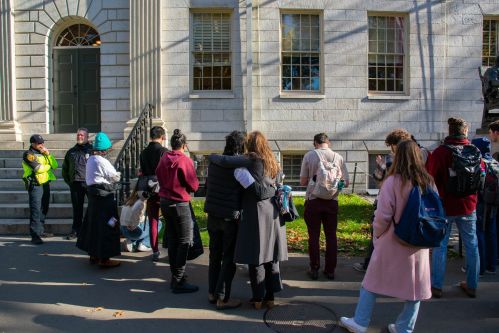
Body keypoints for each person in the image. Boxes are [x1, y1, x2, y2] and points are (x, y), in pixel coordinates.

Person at [340, 140, 433, 333]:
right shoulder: (428, 181)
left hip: (392, 239)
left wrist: (378, 236)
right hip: (419, 240)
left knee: (371, 282)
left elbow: (382, 215)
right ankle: (404, 327)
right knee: (414, 288)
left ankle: (360, 321)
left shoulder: (393, 182)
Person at [209, 131, 288, 310]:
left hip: (256, 213)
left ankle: (257, 298)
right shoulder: (273, 162)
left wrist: (212, 156)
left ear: (251, 145)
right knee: (271, 257)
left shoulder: (251, 160)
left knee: (257, 255)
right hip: (274, 213)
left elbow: (226, 162)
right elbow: (277, 183)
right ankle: (271, 297)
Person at [426, 117, 481, 298]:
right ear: (465, 131)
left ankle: (437, 286)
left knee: (441, 245)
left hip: (445, 205)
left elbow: (429, 177)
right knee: (472, 245)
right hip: (468, 205)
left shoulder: (441, 152)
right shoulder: (474, 151)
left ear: (449, 131)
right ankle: (472, 285)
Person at [353, 129, 411, 272]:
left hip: (386, 201)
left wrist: (379, 165)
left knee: (378, 234)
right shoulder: (413, 160)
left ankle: (370, 265)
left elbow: (379, 180)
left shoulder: (389, 159)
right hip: (407, 202)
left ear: (392, 144)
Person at [204, 131, 246, 310]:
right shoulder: (239, 167)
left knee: (214, 255)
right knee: (228, 258)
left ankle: (212, 293)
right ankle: (222, 297)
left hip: (213, 214)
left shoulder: (214, 164)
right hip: (229, 217)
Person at [299, 132, 349, 280]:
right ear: (329, 142)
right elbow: (346, 182)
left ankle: (314, 268)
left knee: (313, 236)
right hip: (332, 201)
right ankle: (330, 270)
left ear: (315, 143)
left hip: (313, 200)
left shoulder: (309, 156)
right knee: (331, 236)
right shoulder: (338, 157)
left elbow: (302, 182)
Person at [156, 129, 200, 293]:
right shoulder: (185, 160)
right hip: (180, 203)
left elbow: (158, 175)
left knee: (174, 239)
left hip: (165, 201)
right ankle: (179, 279)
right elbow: (194, 185)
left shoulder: (164, 157)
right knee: (184, 241)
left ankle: (175, 276)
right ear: (184, 145)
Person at [76, 132, 121, 268]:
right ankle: (104, 258)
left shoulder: (90, 159)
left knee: (93, 225)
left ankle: (94, 254)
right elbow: (115, 176)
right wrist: (117, 176)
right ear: (104, 150)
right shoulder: (102, 161)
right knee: (107, 225)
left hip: (94, 195)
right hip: (104, 195)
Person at [22, 134, 58, 245]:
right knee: (35, 210)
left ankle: (40, 231)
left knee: (44, 208)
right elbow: (38, 169)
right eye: (39, 143)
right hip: (35, 184)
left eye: (42, 143)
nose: (42, 145)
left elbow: (55, 165)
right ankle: (35, 235)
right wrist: (49, 166)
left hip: (45, 183)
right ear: (33, 144)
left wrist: (49, 155)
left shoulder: (44, 153)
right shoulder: (28, 154)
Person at [139, 126, 168, 261]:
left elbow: (143, 172)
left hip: (149, 189)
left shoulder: (143, 153)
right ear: (162, 137)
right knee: (170, 219)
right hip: (163, 188)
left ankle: (155, 250)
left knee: (153, 221)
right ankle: (170, 246)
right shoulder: (164, 151)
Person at [471, 137, 497, 275]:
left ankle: (479, 267)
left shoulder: (479, 163)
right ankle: (492, 265)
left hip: (480, 202)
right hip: (493, 203)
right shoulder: (494, 162)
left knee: (479, 233)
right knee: (491, 232)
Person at [62, 128, 92, 240]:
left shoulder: (92, 150)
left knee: (93, 207)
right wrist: (70, 182)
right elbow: (65, 169)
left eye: (82, 135)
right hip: (75, 184)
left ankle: (90, 229)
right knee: (77, 208)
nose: (79, 137)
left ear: (87, 137)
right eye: (78, 135)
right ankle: (76, 230)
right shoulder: (71, 152)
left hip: (90, 183)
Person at [120, 188, 151, 253]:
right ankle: (145, 244)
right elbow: (139, 219)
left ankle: (131, 242)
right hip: (132, 230)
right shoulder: (141, 203)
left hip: (123, 229)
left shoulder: (128, 202)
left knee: (143, 225)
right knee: (158, 223)